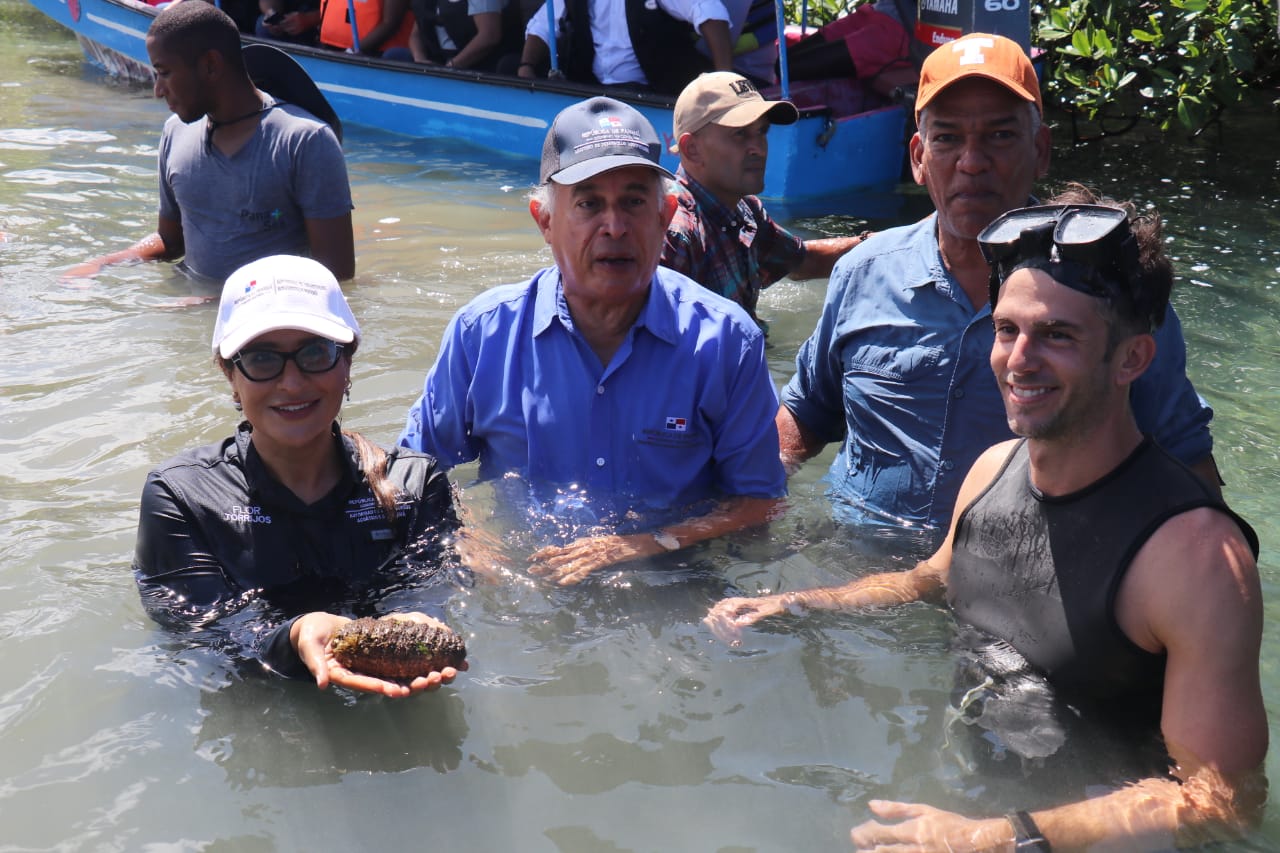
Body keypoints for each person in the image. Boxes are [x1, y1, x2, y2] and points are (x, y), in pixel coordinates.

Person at [708, 195, 1266, 850]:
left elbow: (1224, 801)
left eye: (1058, 335)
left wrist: (996, 837)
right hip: (969, 797)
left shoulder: (1195, 559)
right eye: (1006, 330)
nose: (1019, 359)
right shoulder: (992, 471)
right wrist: (799, 603)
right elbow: (927, 580)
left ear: (1132, 359)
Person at [774, 32, 1219, 543]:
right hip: (854, 554)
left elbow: (1183, 459)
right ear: (918, 157)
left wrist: (1203, 562)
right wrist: (756, 504)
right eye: (947, 138)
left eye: (1001, 135)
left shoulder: (1109, 290)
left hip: (1021, 573)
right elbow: (806, 413)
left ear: (1041, 149)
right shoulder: (862, 273)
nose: (972, 162)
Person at [397, 96, 786, 585]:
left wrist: (652, 543)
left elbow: (760, 503)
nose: (615, 227)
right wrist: (467, 538)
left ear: (665, 215)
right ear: (545, 221)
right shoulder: (482, 334)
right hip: (520, 584)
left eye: (634, 202)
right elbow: (413, 475)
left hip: (672, 585)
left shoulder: (727, 341)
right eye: (588, 204)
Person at [134, 255, 464, 697]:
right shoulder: (182, 495)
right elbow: (194, 626)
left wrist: (417, 621)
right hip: (255, 704)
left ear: (347, 363)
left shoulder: (415, 483)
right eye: (262, 359)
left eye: (315, 353)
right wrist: (292, 637)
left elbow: (431, 589)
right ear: (230, 376)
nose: (291, 383)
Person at [66, 2, 354, 284]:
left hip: (266, 313)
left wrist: (212, 303)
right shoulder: (174, 132)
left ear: (210, 65)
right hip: (193, 303)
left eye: (164, 73)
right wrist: (103, 264)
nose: (157, 90)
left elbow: (336, 275)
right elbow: (171, 240)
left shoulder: (305, 141)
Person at [662, 71, 870, 332]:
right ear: (692, 149)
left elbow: (802, 261)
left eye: (761, 132)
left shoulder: (745, 209)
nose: (759, 148)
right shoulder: (675, 232)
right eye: (740, 134)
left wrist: (887, 244)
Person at [515, 0, 734, 94]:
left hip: (655, 91)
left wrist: (724, 79)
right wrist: (526, 65)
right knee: (509, 66)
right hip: (594, 90)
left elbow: (709, 13)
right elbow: (542, 26)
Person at [407, 0, 522, 69]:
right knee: (399, 56)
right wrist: (419, 59)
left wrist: (451, 66)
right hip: (439, 60)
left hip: (478, 64)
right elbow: (416, 34)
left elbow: (489, 36)